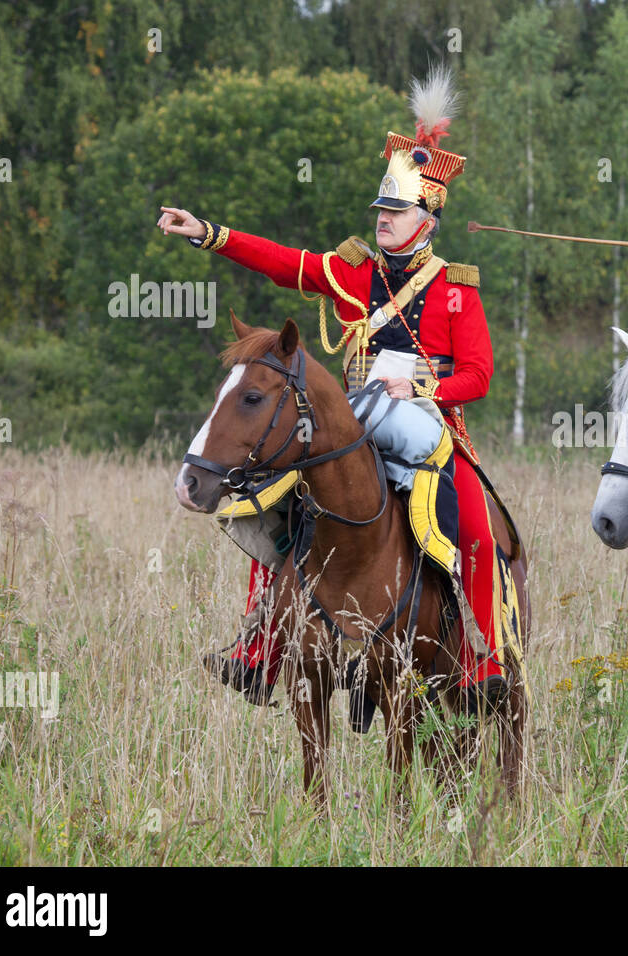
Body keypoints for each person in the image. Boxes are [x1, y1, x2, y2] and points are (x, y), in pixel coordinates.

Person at [157, 69, 511, 713]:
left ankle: (478, 656)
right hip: (350, 422)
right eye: (380, 210)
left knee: (479, 534)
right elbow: (282, 260)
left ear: (427, 220)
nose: (382, 220)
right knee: (271, 500)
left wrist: (423, 381)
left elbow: (480, 377)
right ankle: (260, 645)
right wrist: (208, 233)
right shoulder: (351, 272)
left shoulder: (458, 288)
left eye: (396, 211)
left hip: (431, 427)